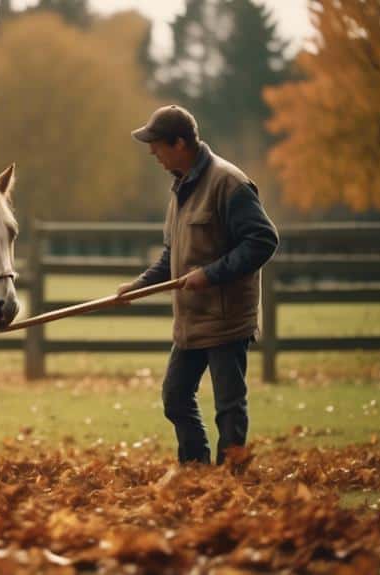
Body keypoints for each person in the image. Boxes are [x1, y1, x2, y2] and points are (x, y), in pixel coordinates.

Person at [119, 105, 279, 465]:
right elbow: (172, 257)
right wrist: (137, 286)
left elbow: (263, 241)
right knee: (175, 397)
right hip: (191, 322)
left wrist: (210, 274)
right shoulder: (181, 188)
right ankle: (196, 469)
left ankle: (231, 479)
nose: (152, 152)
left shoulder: (228, 183)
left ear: (179, 143)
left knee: (228, 406)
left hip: (225, 319)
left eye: (157, 144)